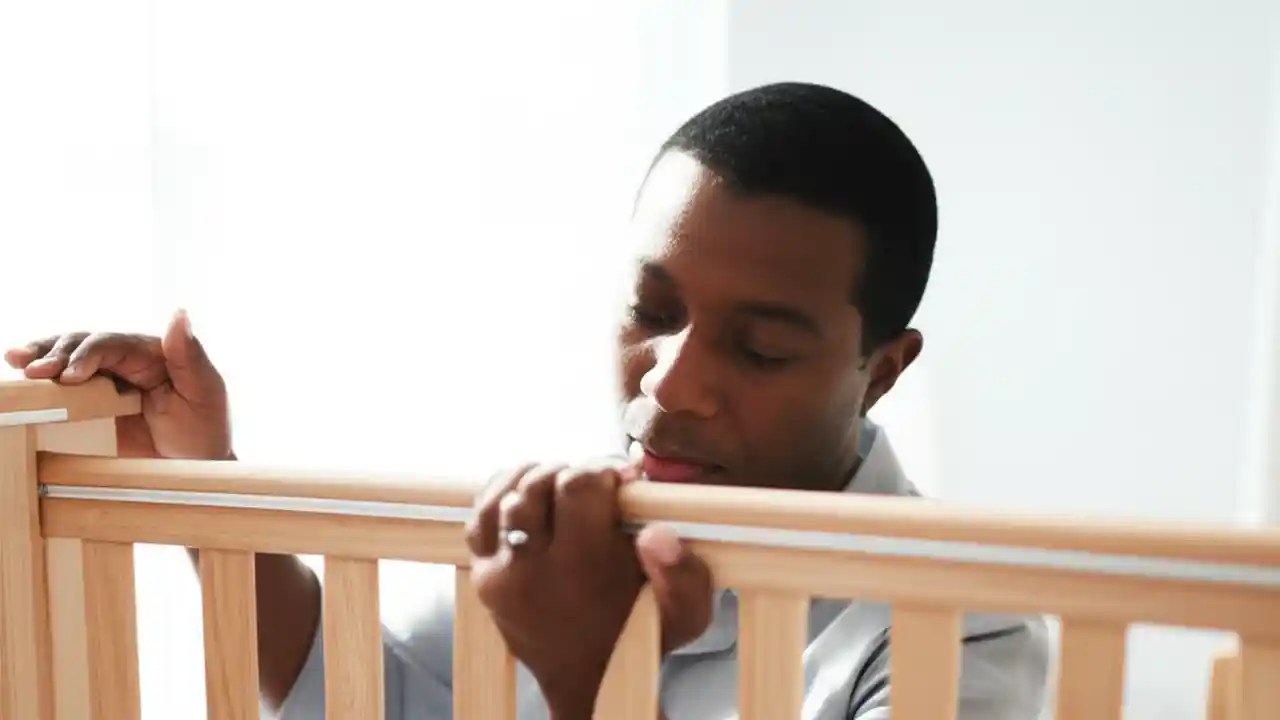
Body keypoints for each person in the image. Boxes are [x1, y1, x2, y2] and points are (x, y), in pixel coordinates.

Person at [6, 82, 1049, 719]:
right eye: (650, 311)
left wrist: (595, 675)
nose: (669, 382)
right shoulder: (571, 520)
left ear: (880, 369)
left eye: (761, 348)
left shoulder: (958, 626)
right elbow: (346, 690)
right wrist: (207, 484)